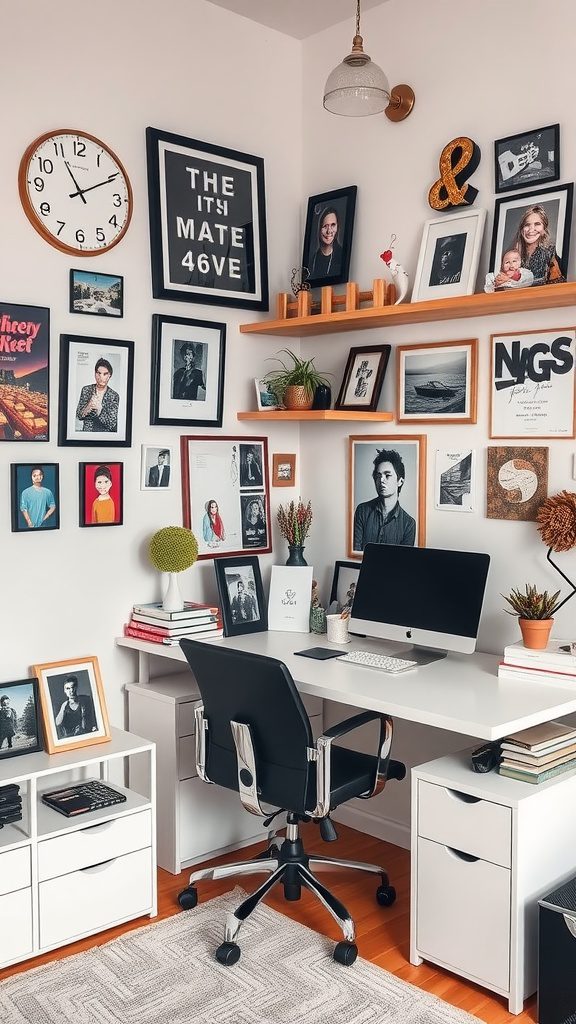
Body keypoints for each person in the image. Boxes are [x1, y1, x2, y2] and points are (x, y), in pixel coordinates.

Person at [353, 448, 416, 551]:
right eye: (378, 476)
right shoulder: (362, 511)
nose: (381, 480)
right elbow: (355, 553)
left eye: (387, 475)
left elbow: (403, 561)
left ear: (400, 481)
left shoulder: (408, 524)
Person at [509, 205, 565, 286]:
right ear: (521, 230)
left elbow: (558, 285)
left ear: (544, 229)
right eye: (527, 225)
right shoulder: (512, 255)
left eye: (537, 224)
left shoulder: (550, 252)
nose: (531, 229)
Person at [76, 357, 119, 432]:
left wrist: (99, 409)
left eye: (105, 374)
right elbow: (79, 416)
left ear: (109, 376)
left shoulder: (114, 395)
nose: (101, 377)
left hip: (104, 437)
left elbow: (111, 424)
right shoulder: (86, 390)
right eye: (98, 373)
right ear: (95, 373)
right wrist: (87, 407)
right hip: (86, 435)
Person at [309, 206, 343, 280]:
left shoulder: (342, 256)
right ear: (319, 229)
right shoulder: (312, 261)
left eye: (333, 225)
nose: (329, 231)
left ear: (338, 227)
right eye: (325, 226)